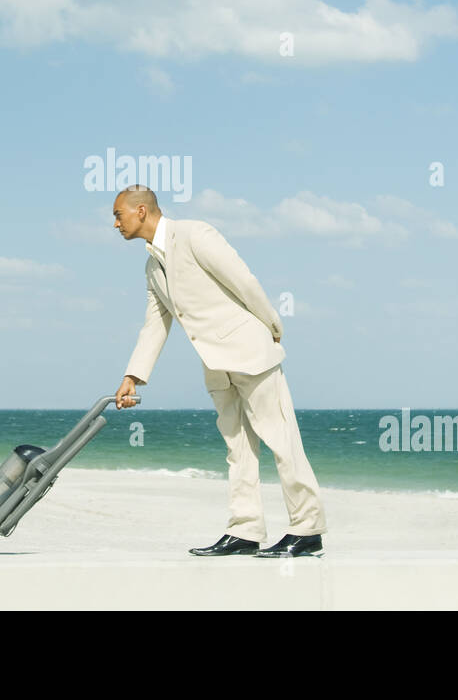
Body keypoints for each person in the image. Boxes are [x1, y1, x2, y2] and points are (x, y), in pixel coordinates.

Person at [112, 185, 327, 557]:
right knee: (238, 449)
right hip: (215, 366)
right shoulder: (152, 267)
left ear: (142, 211)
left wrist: (271, 327)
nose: (115, 224)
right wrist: (133, 375)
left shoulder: (195, 234)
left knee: (281, 439)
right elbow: (155, 324)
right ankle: (244, 531)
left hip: (251, 352)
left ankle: (307, 530)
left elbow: (242, 280)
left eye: (119, 215)